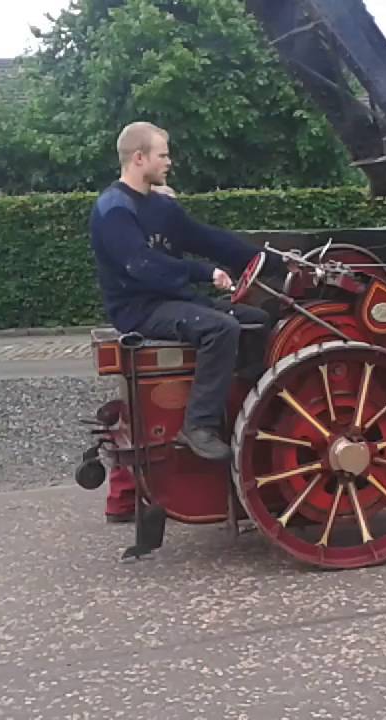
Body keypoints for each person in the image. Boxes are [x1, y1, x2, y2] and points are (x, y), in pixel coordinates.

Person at [90, 121, 272, 484]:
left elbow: (208, 239)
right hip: (139, 308)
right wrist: (204, 273)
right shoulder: (114, 209)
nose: (169, 162)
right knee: (220, 328)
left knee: (258, 319)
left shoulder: (161, 206)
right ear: (139, 158)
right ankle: (198, 426)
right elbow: (142, 266)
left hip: (172, 299)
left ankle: (247, 404)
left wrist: (267, 259)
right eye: (163, 154)